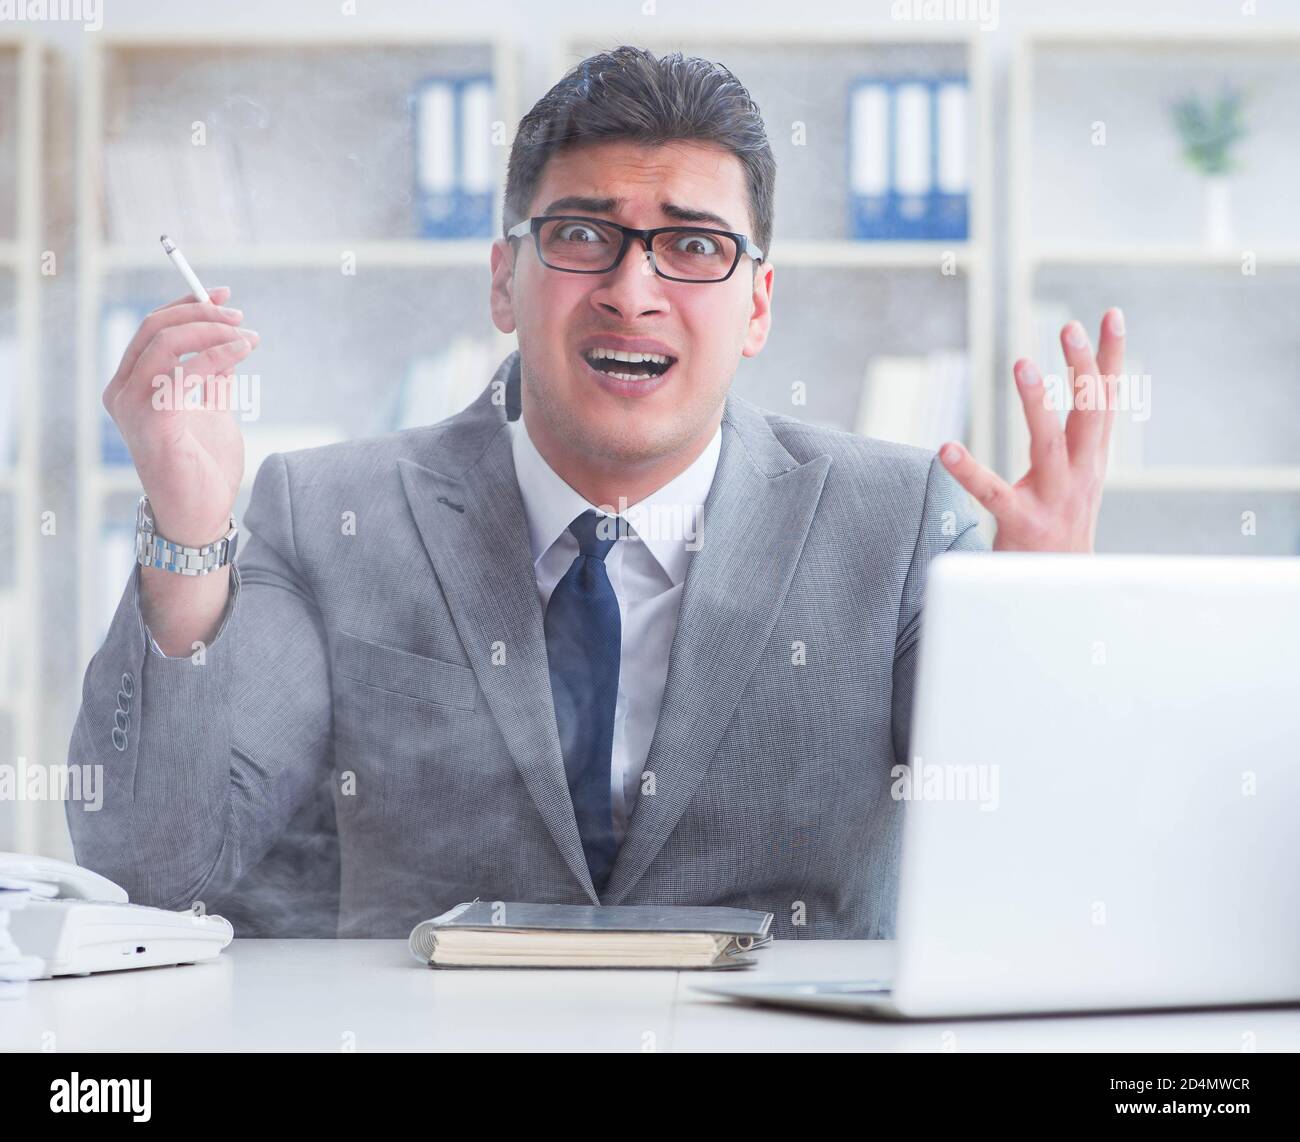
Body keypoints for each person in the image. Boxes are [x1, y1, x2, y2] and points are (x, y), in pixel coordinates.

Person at [69, 46, 1124, 938]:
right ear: (501, 280)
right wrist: (189, 533)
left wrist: (1039, 627)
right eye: (581, 236)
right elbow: (167, 869)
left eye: (694, 246)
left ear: (757, 307)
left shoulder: (896, 524)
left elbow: (1039, 867)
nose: (632, 290)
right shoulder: (326, 507)